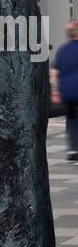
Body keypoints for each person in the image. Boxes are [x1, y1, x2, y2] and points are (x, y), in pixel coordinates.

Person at [52, 21, 78, 162]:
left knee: (71, 120)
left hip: (67, 92)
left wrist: (55, 91)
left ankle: (73, 150)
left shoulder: (62, 50)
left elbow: (55, 72)